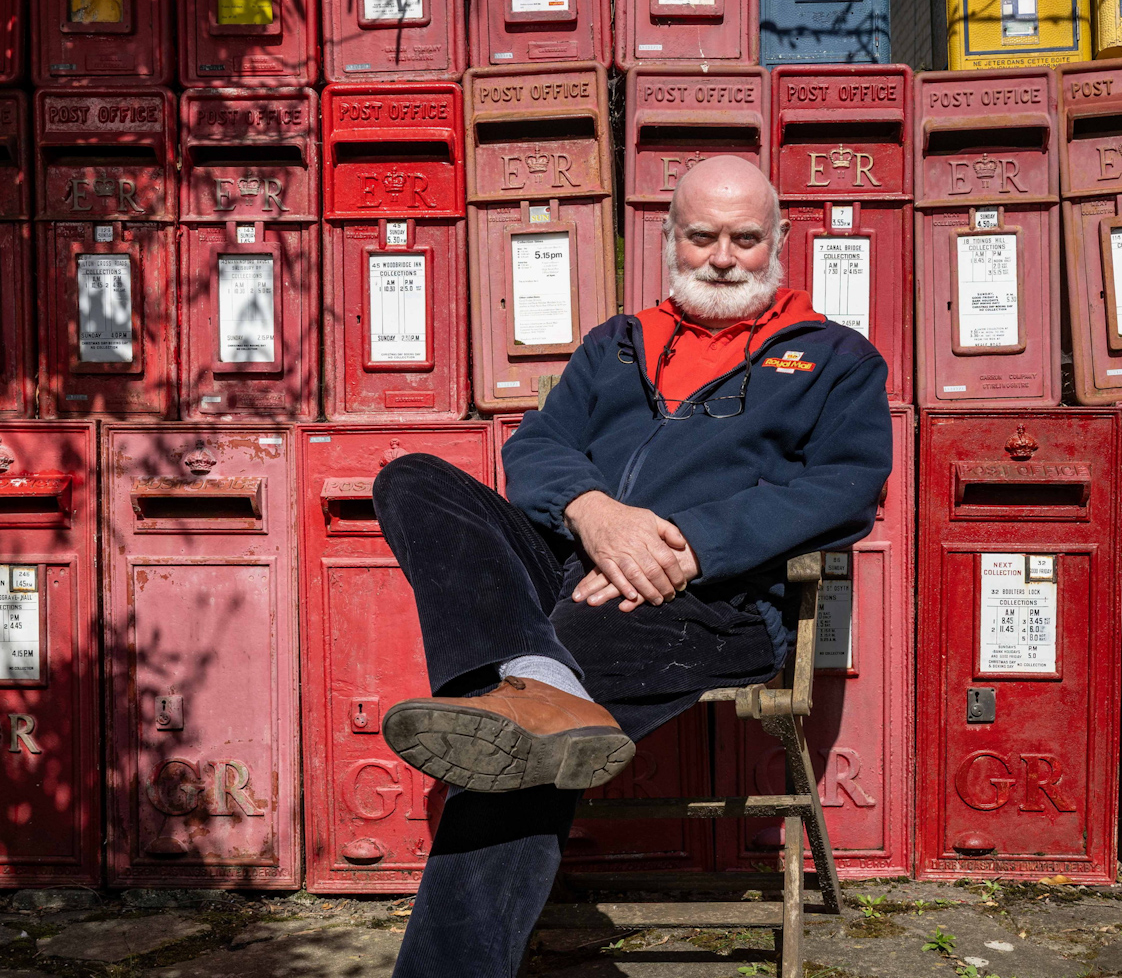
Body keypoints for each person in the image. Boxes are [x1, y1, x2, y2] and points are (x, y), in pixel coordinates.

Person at [372, 155, 893, 978]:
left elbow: (844, 490)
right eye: (702, 235)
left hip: (708, 603)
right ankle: (537, 683)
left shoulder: (836, 360)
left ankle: (532, 694)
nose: (722, 255)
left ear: (781, 241)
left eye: (746, 239)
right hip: (571, 566)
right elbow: (539, 446)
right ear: (668, 238)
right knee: (412, 480)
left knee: (512, 757)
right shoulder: (615, 344)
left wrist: (684, 543)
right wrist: (594, 513)